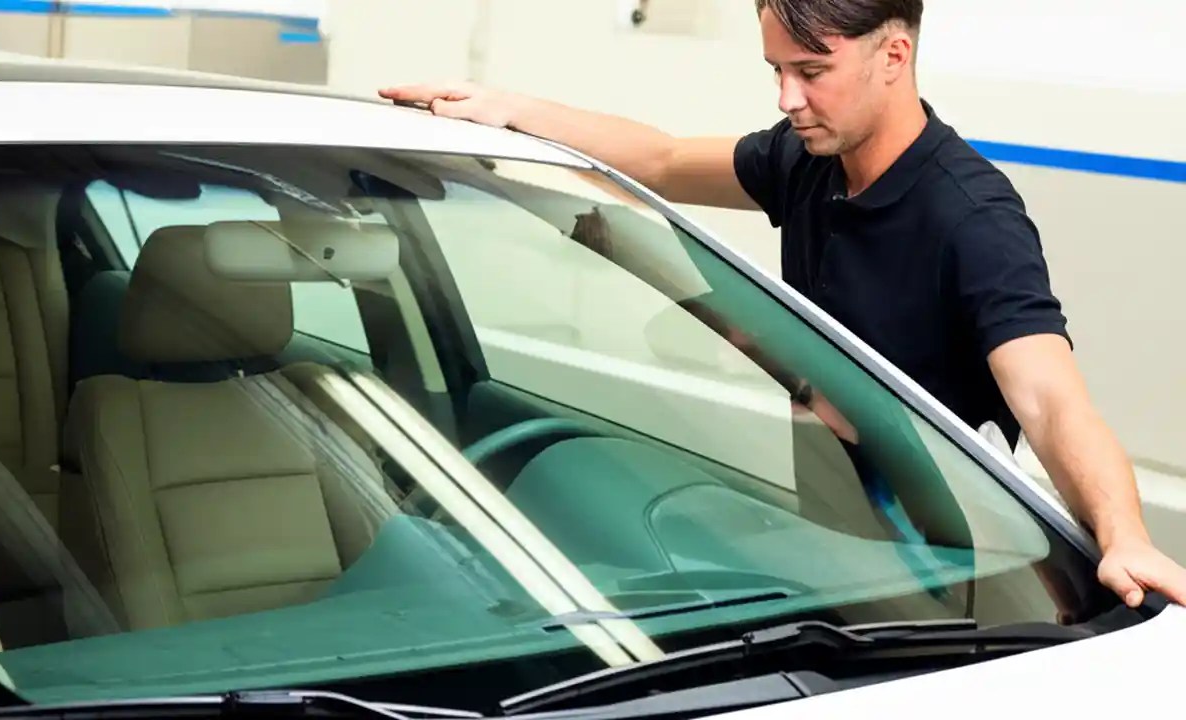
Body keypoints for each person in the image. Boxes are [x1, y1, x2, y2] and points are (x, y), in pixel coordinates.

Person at [378, 0, 1186, 609]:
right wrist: (506, 110)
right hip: (835, 534)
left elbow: (1050, 400)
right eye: (776, 71)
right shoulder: (806, 162)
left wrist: (1125, 538)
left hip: (953, 559)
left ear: (894, 55)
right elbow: (659, 158)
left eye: (810, 71)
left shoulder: (970, 218)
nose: (786, 98)